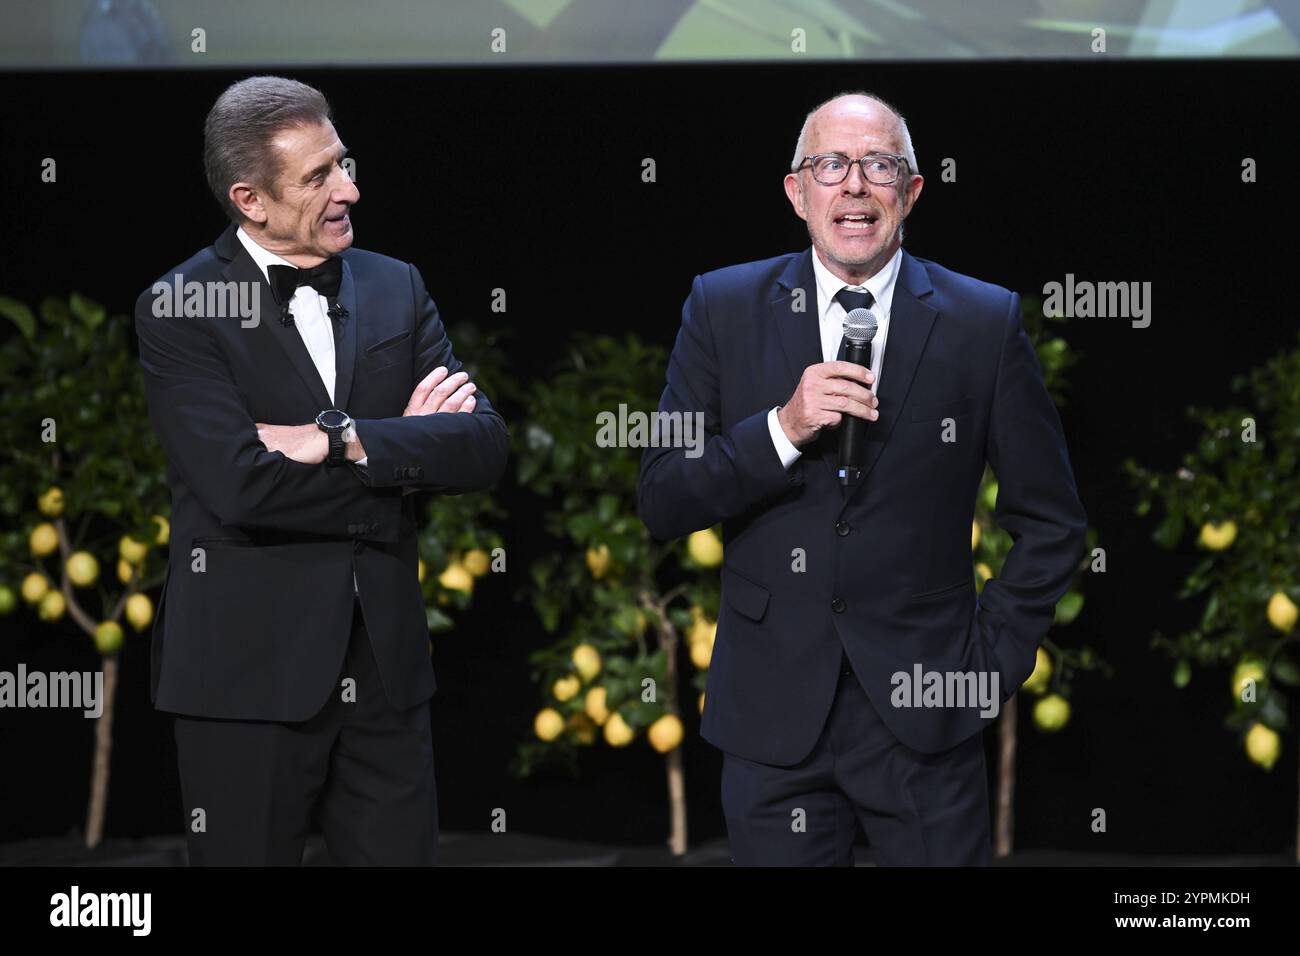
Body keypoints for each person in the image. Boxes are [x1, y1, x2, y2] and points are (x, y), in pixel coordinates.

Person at [638, 92, 1086, 866]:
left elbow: (1052, 523)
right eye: (830, 164)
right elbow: (664, 496)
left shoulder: (983, 321)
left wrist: (989, 664)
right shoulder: (722, 306)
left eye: (879, 164)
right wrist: (781, 428)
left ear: (910, 192)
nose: (853, 185)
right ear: (797, 191)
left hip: (926, 719)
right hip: (772, 722)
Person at [134, 76, 508, 865]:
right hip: (245, 681)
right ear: (250, 200)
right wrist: (402, 455)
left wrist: (340, 438)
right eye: (319, 177)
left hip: (385, 673)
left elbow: (480, 445)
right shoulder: (180, 305)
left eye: (344, 163)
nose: (351, 189)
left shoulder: (394, 285)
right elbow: (240, 485)